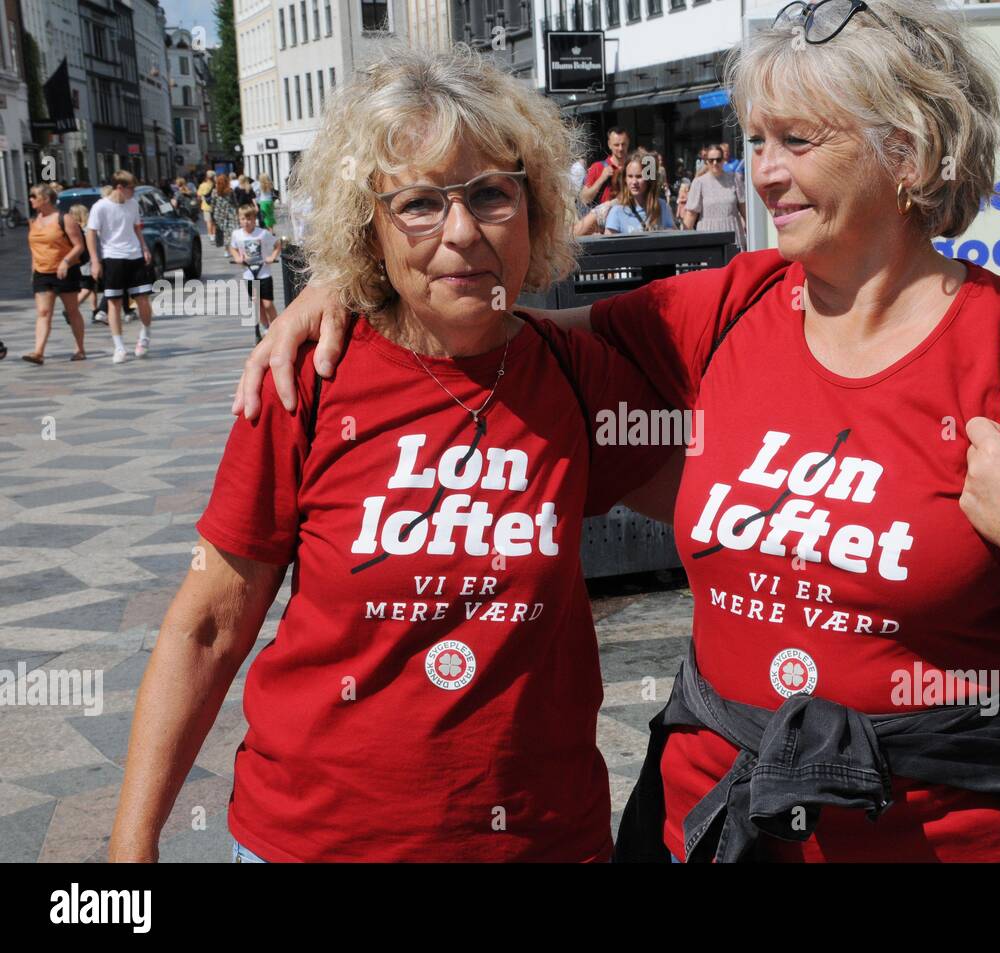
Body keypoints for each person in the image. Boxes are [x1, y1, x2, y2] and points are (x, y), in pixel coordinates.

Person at [242, 0, 1000, 864]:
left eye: (795, 140)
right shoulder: (728, 309)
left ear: (907, 152)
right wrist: (351, 279)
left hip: (947, 835)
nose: (763, 171)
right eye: (755, 140)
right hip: (718, 825)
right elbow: (489, 322)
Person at [109, 43, 672, 864]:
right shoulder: (309, 377)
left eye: (489, 194)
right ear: (368, 230)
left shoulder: (572, 374)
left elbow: (731, 516)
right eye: (417, 204)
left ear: (537, 206)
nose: (461, 232)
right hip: (313, 841)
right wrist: (132, 849)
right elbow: (206, 627)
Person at [86, 171, 154, 363]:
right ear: (119, 187)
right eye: (131, 188)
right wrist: (95, 260)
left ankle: (145, 335)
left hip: (134, 255)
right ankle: (119, 347)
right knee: (113, 302)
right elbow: (91, 234)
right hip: (112, 257)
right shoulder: (100, 207)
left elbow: (136, 227)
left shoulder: (132, 204)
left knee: (142, 299)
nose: (134, 192)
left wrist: (145, 247)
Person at [24, 184, 87, 364]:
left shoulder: (64, 218)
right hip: (42, 273)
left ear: (45, 199)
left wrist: (66, 261)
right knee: (43, 312)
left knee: (72, 310)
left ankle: (80, 349)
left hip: (65, 271)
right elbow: (34, 250)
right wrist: (33, 271)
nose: (30, 199)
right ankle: (38, 352)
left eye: (33, 196)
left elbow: (79, 245)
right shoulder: (33, 221)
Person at [229, 203, 281, 342]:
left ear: (254, 219)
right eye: (243, 219)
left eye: (249, 219)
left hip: (264, 273)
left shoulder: (262, 233)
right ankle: (266, 328)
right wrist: (237, 258)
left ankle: (277, 328)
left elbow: (277, 244)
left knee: (268, 304)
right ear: (239, 220)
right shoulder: (237, 234)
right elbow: (232, 248)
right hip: (249, 274)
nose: (246, 222)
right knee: (257, 304)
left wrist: (272, 257)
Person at [684, 143, 747, 250]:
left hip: (733, 235)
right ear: (706, 161)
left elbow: (744, 209)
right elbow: (691, 214)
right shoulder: (699, 182)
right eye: (711, 160)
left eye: (718, 159)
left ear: (723, 160)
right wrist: (684, 242)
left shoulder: (735, 178)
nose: (715, 163)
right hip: (707, 237)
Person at [603, 151, 676, 234]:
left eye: (639, 176)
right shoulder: (617, 211)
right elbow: (610, 245)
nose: (634, 182)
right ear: (625, 179)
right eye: (630, 176)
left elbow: (674, 239)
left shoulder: (662, 206)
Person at [66, 203, 102, 322]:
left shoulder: (74, 229)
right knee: (88, 287)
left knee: (92, 288)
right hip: (88, 262)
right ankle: (71, 309)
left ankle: (94, 310)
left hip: (81, 262)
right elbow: (93, 247)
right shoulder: (87, 230)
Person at [580, 126, 631, 207]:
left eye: (623, 144)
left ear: (628, 143)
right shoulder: (597, 167)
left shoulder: (635, 167)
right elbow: (585, 199)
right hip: (605, 218)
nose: (620, 148)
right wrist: (601, 178)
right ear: (609, 145)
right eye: (616, 145)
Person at [210, 174, 240, 258]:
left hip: (219, 214)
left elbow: (212, 204)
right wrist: (238, 212)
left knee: (224, 233)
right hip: (230, 213)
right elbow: (235, 203)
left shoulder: (214, 191)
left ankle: (227, 250)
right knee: (230, 232)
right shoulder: (230, 191)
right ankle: (229, 250)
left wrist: (212, 215)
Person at [197, 170, 216, 245]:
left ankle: (211, 237)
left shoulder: (203, 185)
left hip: (206, 206)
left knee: (208, 222)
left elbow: (198, 195)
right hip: (215, 205)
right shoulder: (215, 184)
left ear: (206, 177)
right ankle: (214, 235)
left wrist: (199, 204)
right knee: (214, 222)